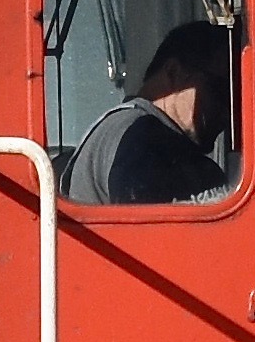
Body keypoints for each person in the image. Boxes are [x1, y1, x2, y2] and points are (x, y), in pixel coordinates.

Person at [80, 20, 233, 205]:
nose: (228, 112)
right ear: (174, 73)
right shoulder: (140, 136)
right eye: (222, 90)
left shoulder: (130, 133)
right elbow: (153, 226)